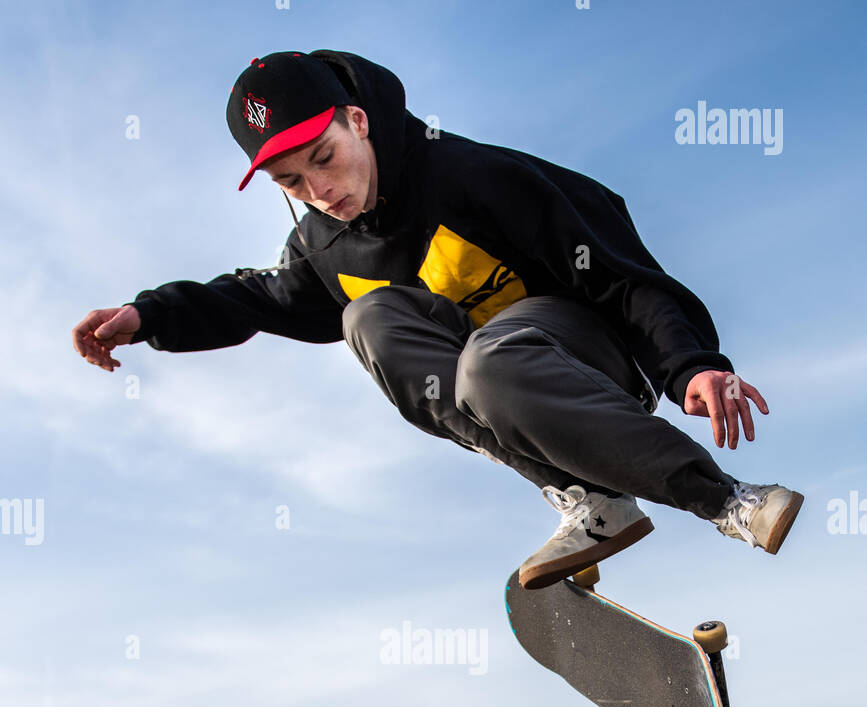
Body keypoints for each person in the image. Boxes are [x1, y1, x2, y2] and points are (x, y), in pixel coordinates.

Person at [72, 50, 804, 588]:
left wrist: (691, 364)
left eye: (325, 158)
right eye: (291, 182)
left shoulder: (475, 176)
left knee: (492, 360)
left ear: (356, 121)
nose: (320, 190)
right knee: (370, 320)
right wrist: (146, 315)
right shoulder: (321, 243)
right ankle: (590, 503)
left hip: (588, 360)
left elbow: (618, 271)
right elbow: (252, 296)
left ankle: (727, 499)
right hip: (509, 394)